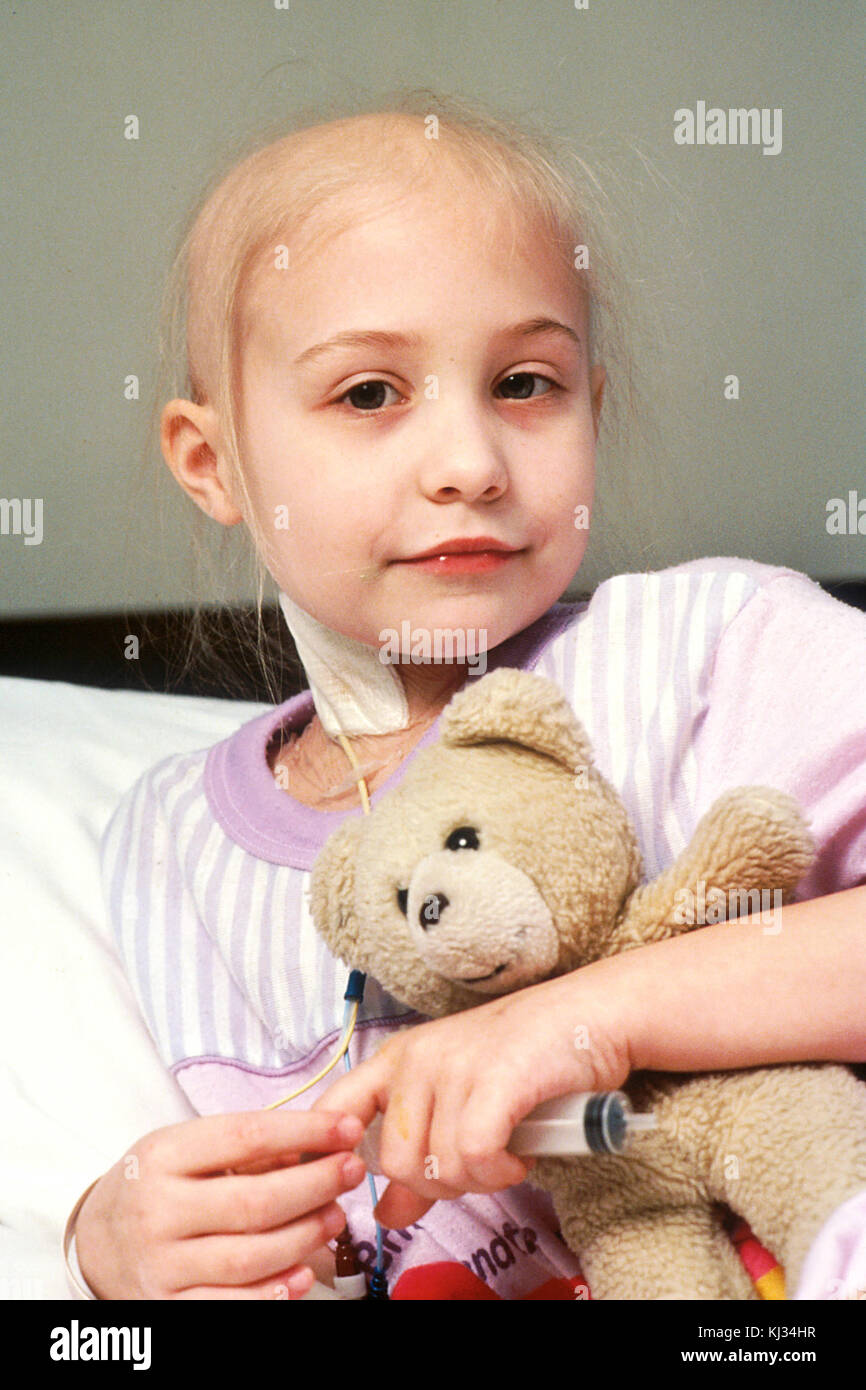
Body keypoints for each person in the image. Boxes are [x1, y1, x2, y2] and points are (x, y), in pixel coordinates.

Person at [69, 95, 866, 1301]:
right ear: (214, 462)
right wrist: (108, 1237)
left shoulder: (710, 653)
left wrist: (601, 1017)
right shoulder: (165, 851)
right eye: (370, 395)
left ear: (591, 406)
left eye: (524, 382)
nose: (470, 461)